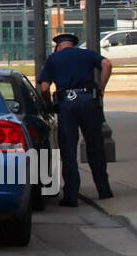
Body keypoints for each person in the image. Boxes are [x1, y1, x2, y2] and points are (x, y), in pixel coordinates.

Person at [37, 32, 113, 206]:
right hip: (89, 102)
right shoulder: (86, 54)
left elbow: (44, 87)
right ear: (73, 45)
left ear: (59, 46)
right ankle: (104, 190)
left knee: (68, 150)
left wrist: (49, 105)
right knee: (95, 147)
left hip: (66, 105)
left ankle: (71, 196)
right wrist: (101, 89)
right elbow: (107, 64)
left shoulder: (54, 59)